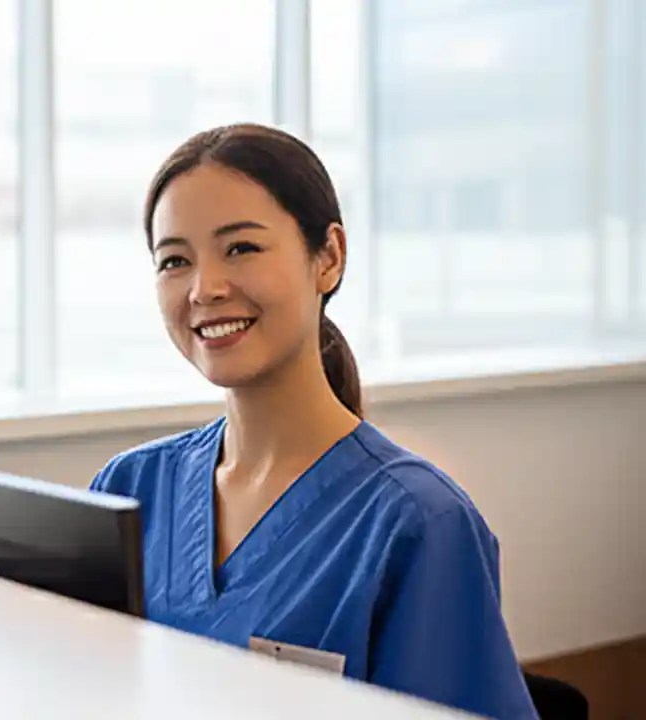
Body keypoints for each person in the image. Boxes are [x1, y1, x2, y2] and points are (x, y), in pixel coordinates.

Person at [89, 123, 538, 719]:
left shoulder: (419, 523)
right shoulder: (130, 490)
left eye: (241, 248)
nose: (205, 288)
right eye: (175, 260)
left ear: (328, 257)